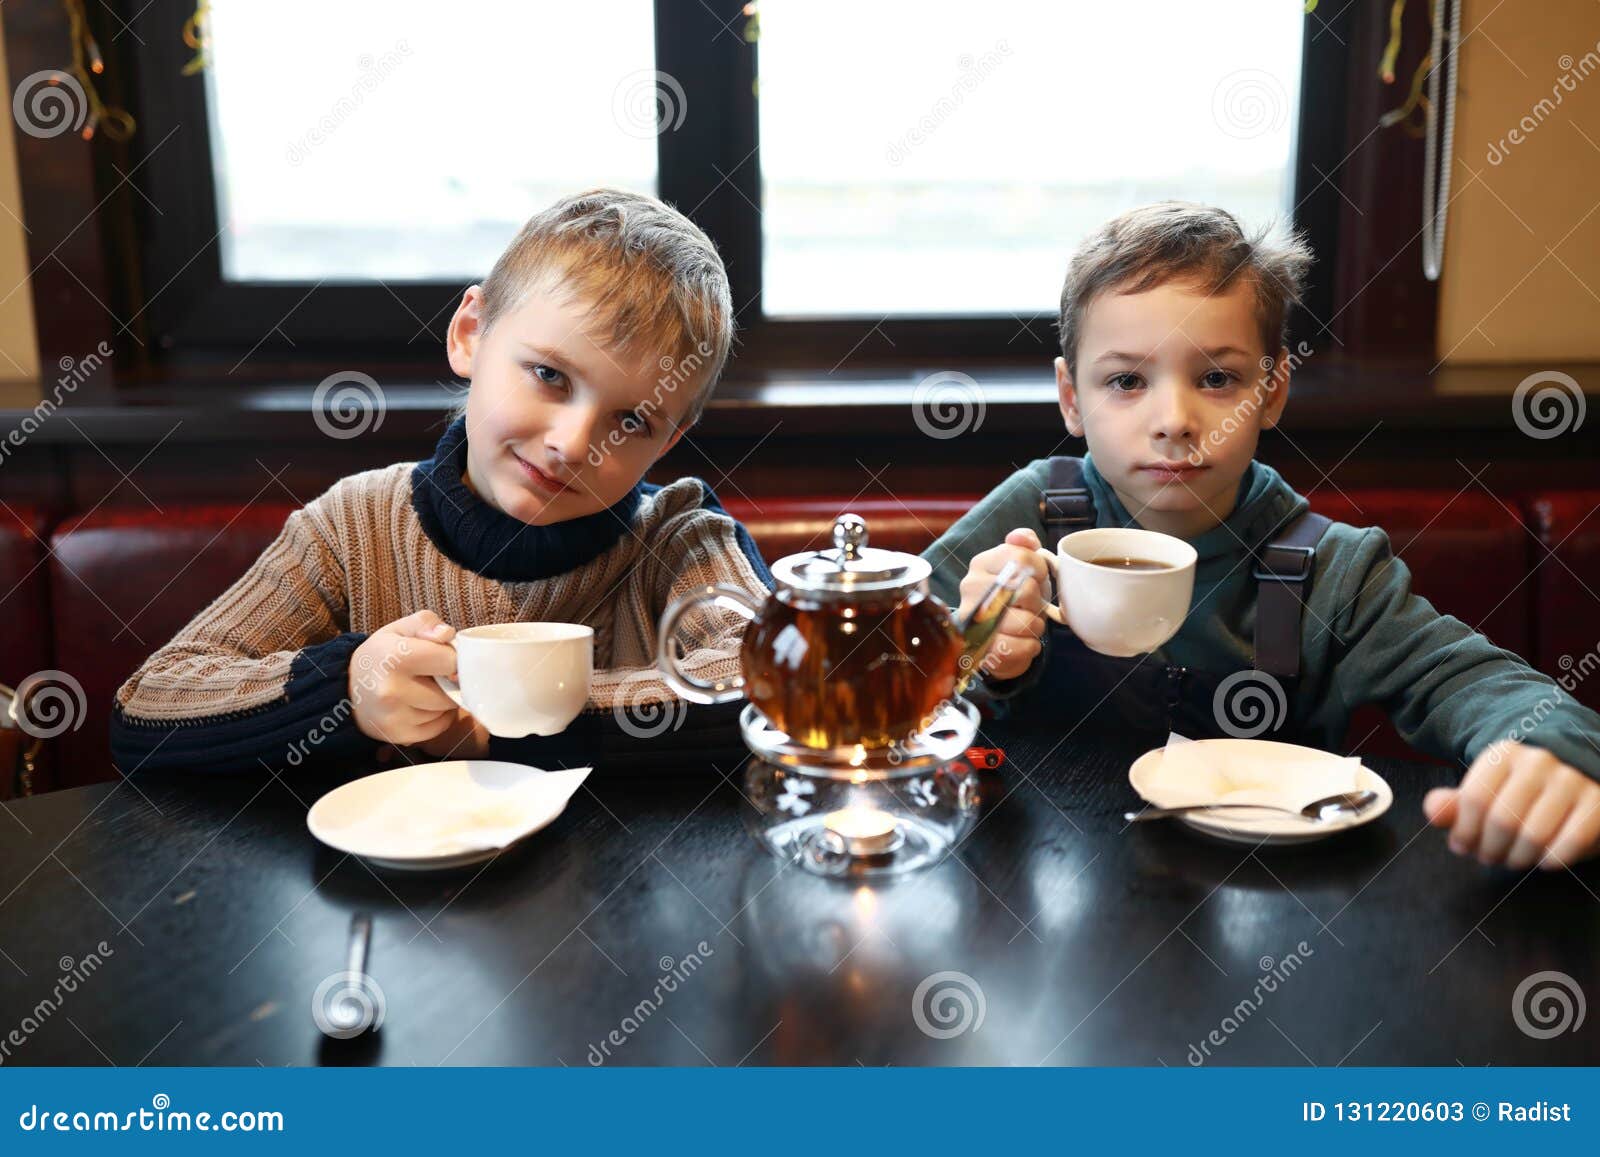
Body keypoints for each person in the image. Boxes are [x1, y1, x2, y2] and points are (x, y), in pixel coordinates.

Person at [926, 201, 1600, 870]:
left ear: (1272, 391)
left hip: (1272, 904)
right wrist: (969, 649)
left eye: (1217, 378)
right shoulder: (1035, 514)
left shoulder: (1332, 568)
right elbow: (873, 656)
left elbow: (1485, 688)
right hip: (1045, 904)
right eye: (1127, 380)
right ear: (1073, 398)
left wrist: (1548, 753)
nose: (1174, 420)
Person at [111, 188, 771, 776]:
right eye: (550, 376)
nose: (572, 444)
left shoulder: (681, 538)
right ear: (469, 335)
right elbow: (149, 705)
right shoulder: (353, 529)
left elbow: (778, 685)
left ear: (669, 440)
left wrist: (509, 728)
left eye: (631, 418)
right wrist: (347, 690)